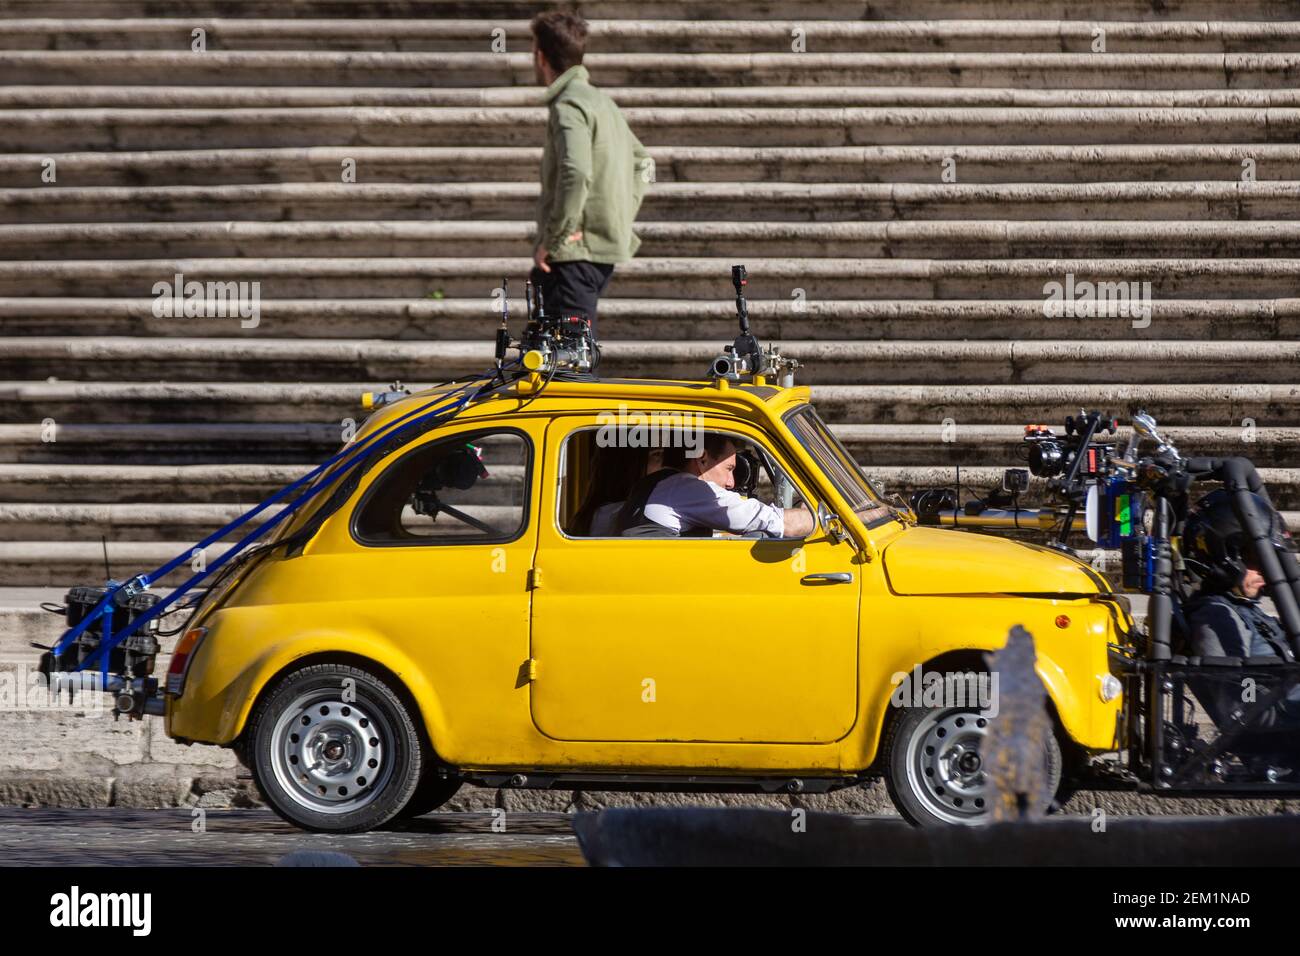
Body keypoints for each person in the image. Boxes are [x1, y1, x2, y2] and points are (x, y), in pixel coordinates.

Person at [529, 11, 653, 338]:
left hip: (572, 256)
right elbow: (644, 164)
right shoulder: (602, 102)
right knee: (565, 358)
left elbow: (577, 170)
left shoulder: (569, 104)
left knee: (565, 368)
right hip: (593, 254)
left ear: (541, 56)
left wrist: (554, 237)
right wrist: (617, 217)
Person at [1182, 489, 1300, 737]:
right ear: (1225, 557)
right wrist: (1273, 695)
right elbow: (1241, 702)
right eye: (1255, 560)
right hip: (1281, 737)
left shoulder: (1245, 610)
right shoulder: (1216, 616)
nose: (1265, 572)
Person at [617, 434, 814, 538]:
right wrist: (816, 515)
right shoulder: (685, 488)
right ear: (702, 459)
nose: (731, 482)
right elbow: (776, 522)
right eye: (729, 468)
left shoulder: (655, 485)